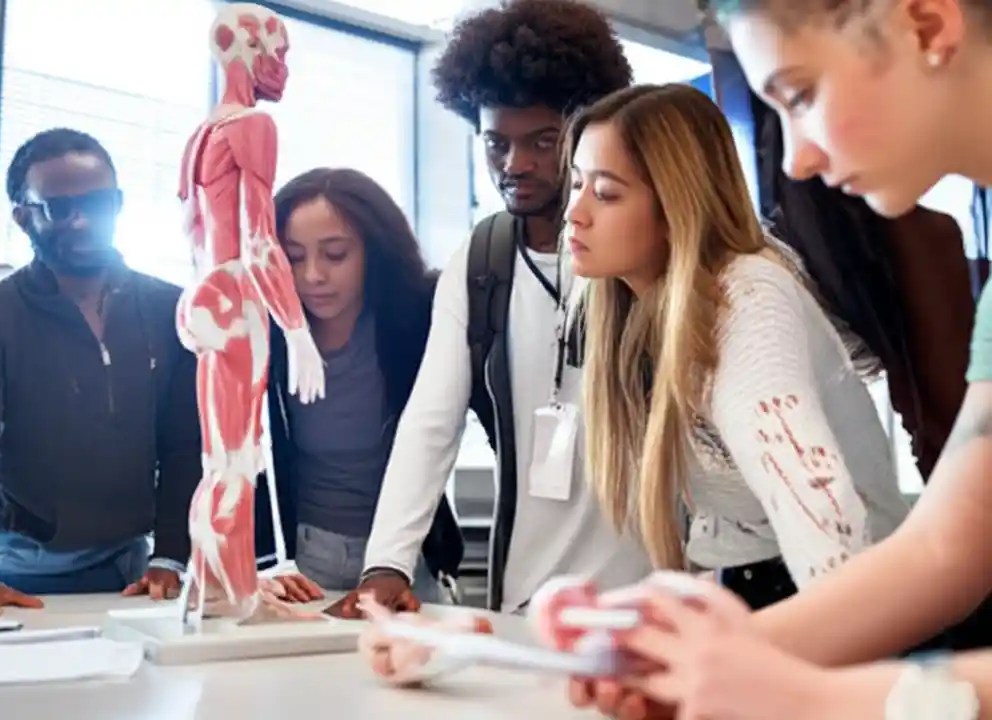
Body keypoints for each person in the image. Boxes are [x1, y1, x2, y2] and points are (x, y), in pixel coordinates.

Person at [571, 0, 992, 716]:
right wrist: (683, 666)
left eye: (800, 95)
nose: (796, 159)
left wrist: (818, 695)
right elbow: (945, 551)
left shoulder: (748, 297)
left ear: (925, 24)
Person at [328, 0, 652, 619]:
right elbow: (430, 422)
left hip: (654, 592)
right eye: (496, 143)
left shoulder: (645, 255)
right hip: (527, 600)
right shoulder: (481, 263)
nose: (514, 164)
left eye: (543, 142)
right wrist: (388, 563)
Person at [564, 83, 911, 609]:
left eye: (606, 193)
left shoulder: (745, 299)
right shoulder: (636, 308)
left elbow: (823, 517)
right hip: (754, 589)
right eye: (575, 184)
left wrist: (826, 648)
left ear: (677, 207)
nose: (575, 212)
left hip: (848, 600)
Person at [0, 128, 202, 614]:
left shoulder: (172, 310)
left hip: (137, 570)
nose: (81, 221)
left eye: (97, 204)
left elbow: (185, 447)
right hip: (17, 569)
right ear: (23, 216)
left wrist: (172, 556)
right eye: (58, 208)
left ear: (117, 204)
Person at [253, 167, 464, 600]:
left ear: (374, 250)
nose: (313, 275)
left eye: (335, 255)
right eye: (294, 257)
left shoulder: (421, 319)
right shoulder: (263, 332)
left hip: (408, 556)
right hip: (300, 562)